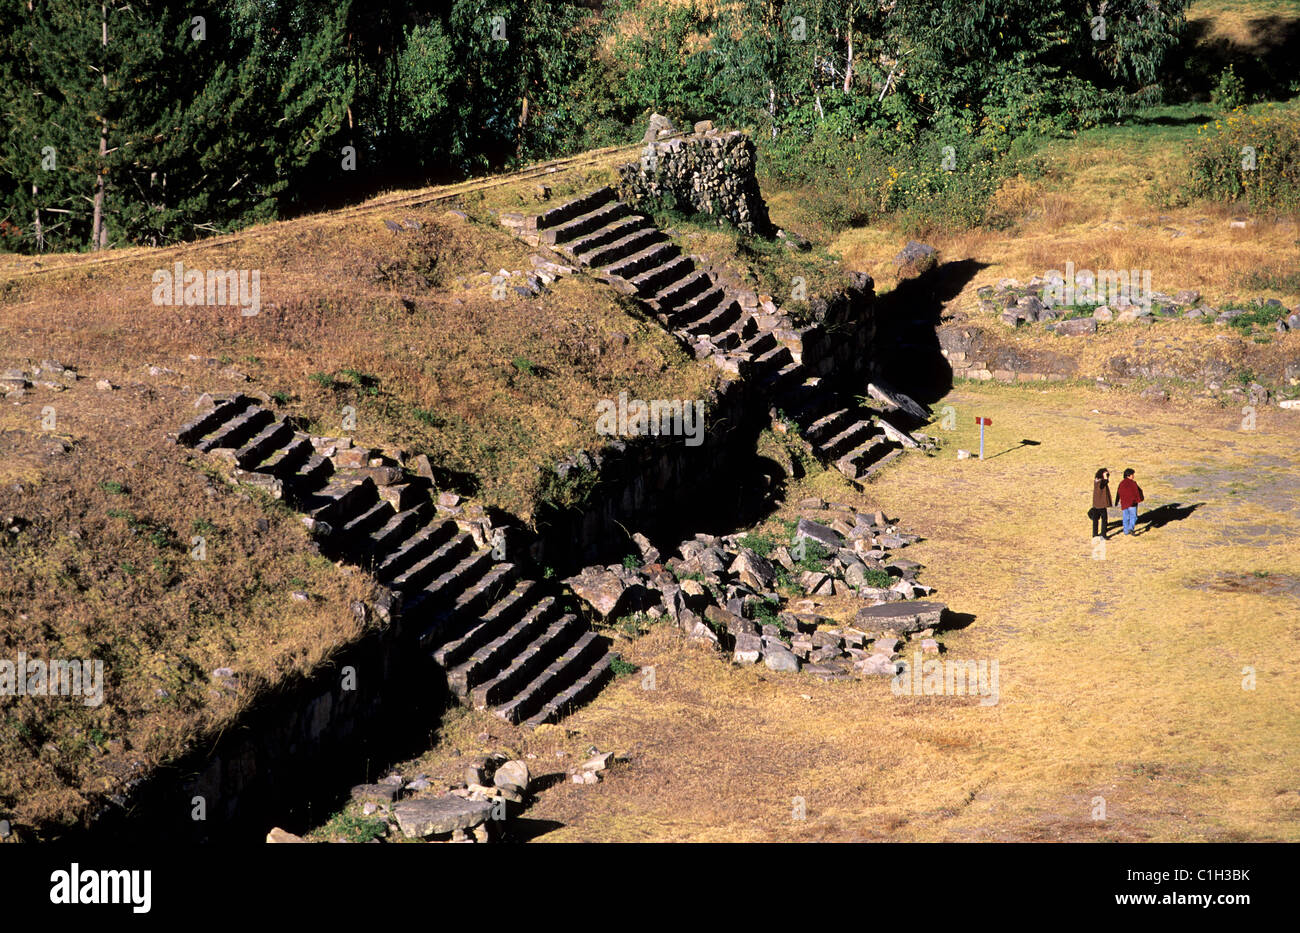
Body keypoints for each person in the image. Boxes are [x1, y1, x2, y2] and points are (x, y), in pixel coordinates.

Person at [1116, 468, 1144, 535]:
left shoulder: (1121, 483)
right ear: (1128, 475)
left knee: (1125, 517)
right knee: (1133, 516)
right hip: (1132, 504)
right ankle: (1130, 528)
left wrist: (1117, 501)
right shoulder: (1133, 483)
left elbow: (1118, 492)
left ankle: (1126, 531)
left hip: (1124, 503)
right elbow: (1137, 492)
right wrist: (1138, 499)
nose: (1133, 476)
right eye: (1132, 474)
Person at [1089, 468, 1112, 539]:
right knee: (1104, 519)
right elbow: (1103, 484)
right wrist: (1105, 477)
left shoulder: (1096, 480)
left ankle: (1095, 534)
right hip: (1101, 504)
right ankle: (1103, 534)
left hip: (1096, 504)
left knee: (1095, 520)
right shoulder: (1101, 482)